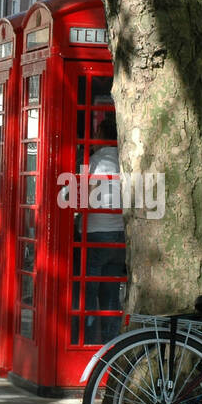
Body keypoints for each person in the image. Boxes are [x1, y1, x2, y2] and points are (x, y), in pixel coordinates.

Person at [84, 114, 125, 343]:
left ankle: (89, 342)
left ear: (100, 135)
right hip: (119, 236)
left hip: (96, 234)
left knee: (88, 294)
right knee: (111, 295)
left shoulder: (95, 162)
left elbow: (79, 198)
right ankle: (112, 344)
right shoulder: (126, 160)